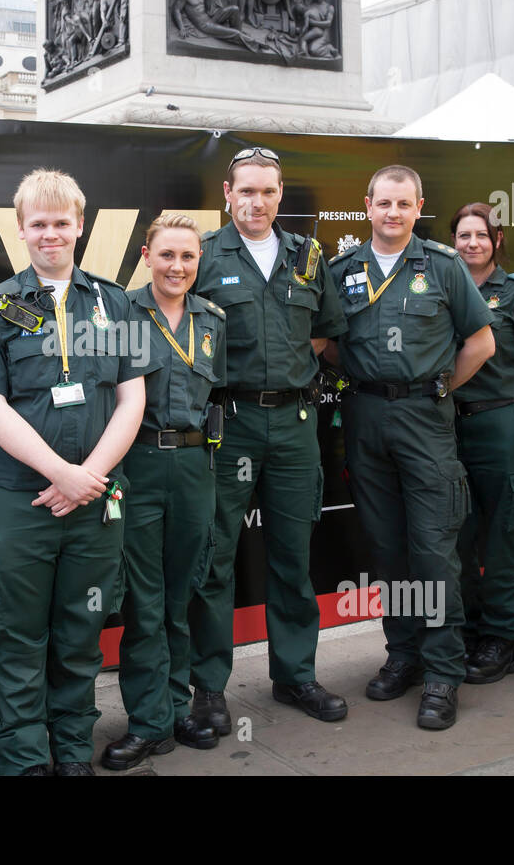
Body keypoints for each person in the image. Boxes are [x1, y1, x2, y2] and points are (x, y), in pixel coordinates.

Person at [0, 169, 145, 776]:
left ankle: (71, 752)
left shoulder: (117, 301)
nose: (51, 235)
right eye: (39, 224)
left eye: (62, 223)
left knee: (81, 633)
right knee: (16, 637)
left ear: (80, 226)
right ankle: (25, 758)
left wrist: (88, 476)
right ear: (20, 230)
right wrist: (62, 472)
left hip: (94, 499)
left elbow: (132, 398)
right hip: (19, 502)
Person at [324, 165, 495, 730]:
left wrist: (440, 385)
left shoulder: (443, 266)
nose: (393, 213)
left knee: (432, 549)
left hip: (425, 419)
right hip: (365, 414)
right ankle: (404, 655)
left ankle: (444, 671)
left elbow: (481, 341)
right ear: (366, 206)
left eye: (404, 204)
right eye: (383, 204)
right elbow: (324, 343)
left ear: (419, 206)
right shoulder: (343, 270)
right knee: (386, 547)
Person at [189, 146, 348, 736]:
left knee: (292, 557)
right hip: (225, 426)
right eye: (246, 191)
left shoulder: (308, 257)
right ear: (227, 194)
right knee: (215, 558)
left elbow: (326, 334)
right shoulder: (201, 257)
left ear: (281, 195)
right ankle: (207, 688)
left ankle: (295, 674)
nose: (258, 202)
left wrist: (282, 378)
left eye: (269, 191)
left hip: (294, 426)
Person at [101, 215, 227, 771]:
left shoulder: (212, 319)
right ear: (147, 255)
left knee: (181, 597)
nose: (178, 267)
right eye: (168, 255)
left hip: (196, 466)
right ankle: (148, 721)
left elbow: (216, 394)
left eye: (189, 257)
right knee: (144, 604)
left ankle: (177, 708)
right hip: (140, 464)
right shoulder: (122, 313)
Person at [449, 203, 514, 684]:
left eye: (481, 235)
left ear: (497, 239)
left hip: (502, 427)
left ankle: (502, 639)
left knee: (505, 537)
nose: (472, 243)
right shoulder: (443, 288)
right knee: (461, 536)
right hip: (449, 429)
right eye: (463, 235)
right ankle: (469, 631)